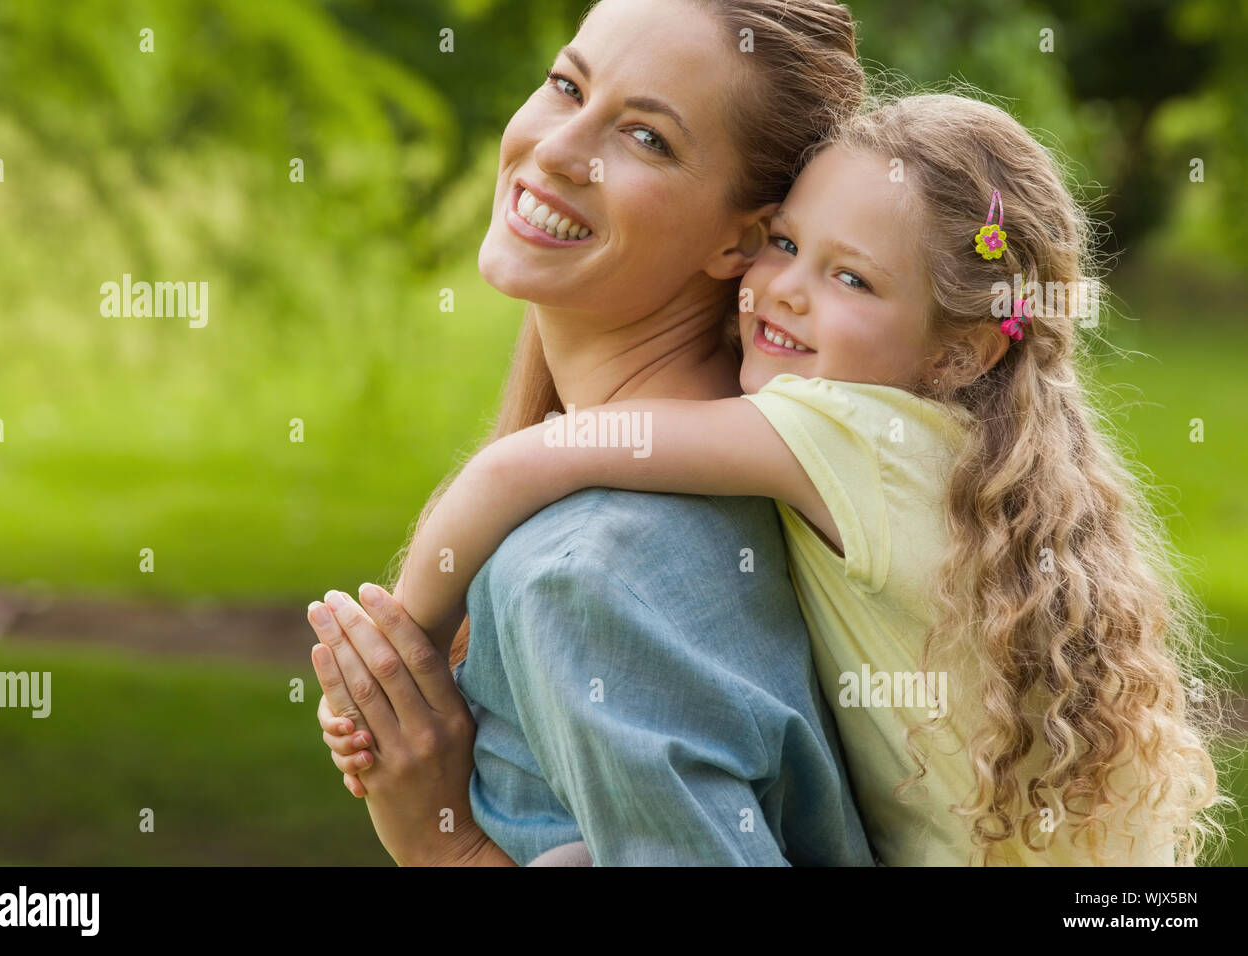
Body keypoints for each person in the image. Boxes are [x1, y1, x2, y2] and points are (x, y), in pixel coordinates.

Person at [336, 93, 1227, 866]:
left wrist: (389, 663)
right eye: (786, 242)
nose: (787, 290)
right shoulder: (953, 459)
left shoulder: (865, 436)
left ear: (959, 352)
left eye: (851, 278)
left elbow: (543, 455)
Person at [307, 0, 876, 865]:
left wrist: (441, 845)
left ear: (745, 240)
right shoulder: (769, 471)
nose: (560, 149)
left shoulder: (592, 575)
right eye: (567, 85)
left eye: (647, 139)